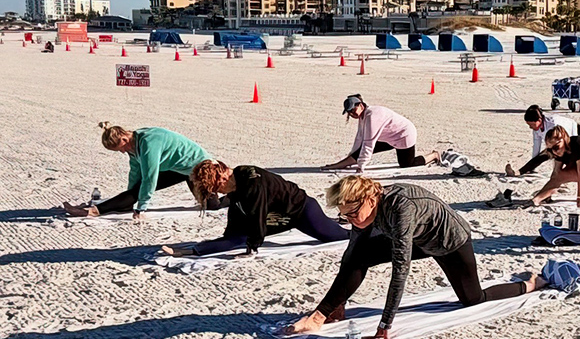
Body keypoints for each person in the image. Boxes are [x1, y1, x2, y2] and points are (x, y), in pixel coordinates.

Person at [287, 176, 545, 339]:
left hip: (449, 243)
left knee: (472, 299)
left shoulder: (401, 207)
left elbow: (401, 268)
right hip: (419, 239)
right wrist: (334, 305)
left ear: (369, 198)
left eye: (353, 213)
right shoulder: (363, 210)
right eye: (345, 216)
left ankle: (530, 284)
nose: (351, 220)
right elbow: (353, 249)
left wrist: (385, 323)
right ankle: (317, 318)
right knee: (358, 256)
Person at [162, 161, 349, 257]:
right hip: (280, 214)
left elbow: (257, 215)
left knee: (342, 236)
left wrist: (253, 248)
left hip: (302, 210)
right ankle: (195, 250)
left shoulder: (252, 183)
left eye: (215, 189)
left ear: (222, 179)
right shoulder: (236, 186)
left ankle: (370, 227)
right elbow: (235, 219)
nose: (216, 194)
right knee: (236, 236)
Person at [62, 123, 216, 220]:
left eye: (120, 148)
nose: (122, 152)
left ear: (124, 139)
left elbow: (150, 177)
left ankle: (231, 196)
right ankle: (93, 211)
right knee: (137, 188)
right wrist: (129, 197)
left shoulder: (148, 142)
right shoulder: (132, 145)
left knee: (212, 205)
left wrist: (142, 206)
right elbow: (135, 173)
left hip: (200, 167)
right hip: (179, 169)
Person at [321, 95, 440, 172]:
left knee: (407, 164)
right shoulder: (363, 117)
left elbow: (368, 143)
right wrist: (348, 159)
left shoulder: (372, 115)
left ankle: (434, 155)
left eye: (353, 110)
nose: (352, 114)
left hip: (404, 134)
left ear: (361, 105)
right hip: (389, 137)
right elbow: (359, 139)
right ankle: (336, 165)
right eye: (349, 112)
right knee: (361, 150)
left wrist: (361, 166)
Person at [505, 104, 580, 177]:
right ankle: (518, 172)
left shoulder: (553, 124)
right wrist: (533, 166)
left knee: (563, 154)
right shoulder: (536, 129)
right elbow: (536, 147)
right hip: (562, 141)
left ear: (539, 121)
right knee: (546, 154)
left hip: (577, 133)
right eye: (529, 125)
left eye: (532, 124)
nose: (530, 127)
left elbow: (564, 142)